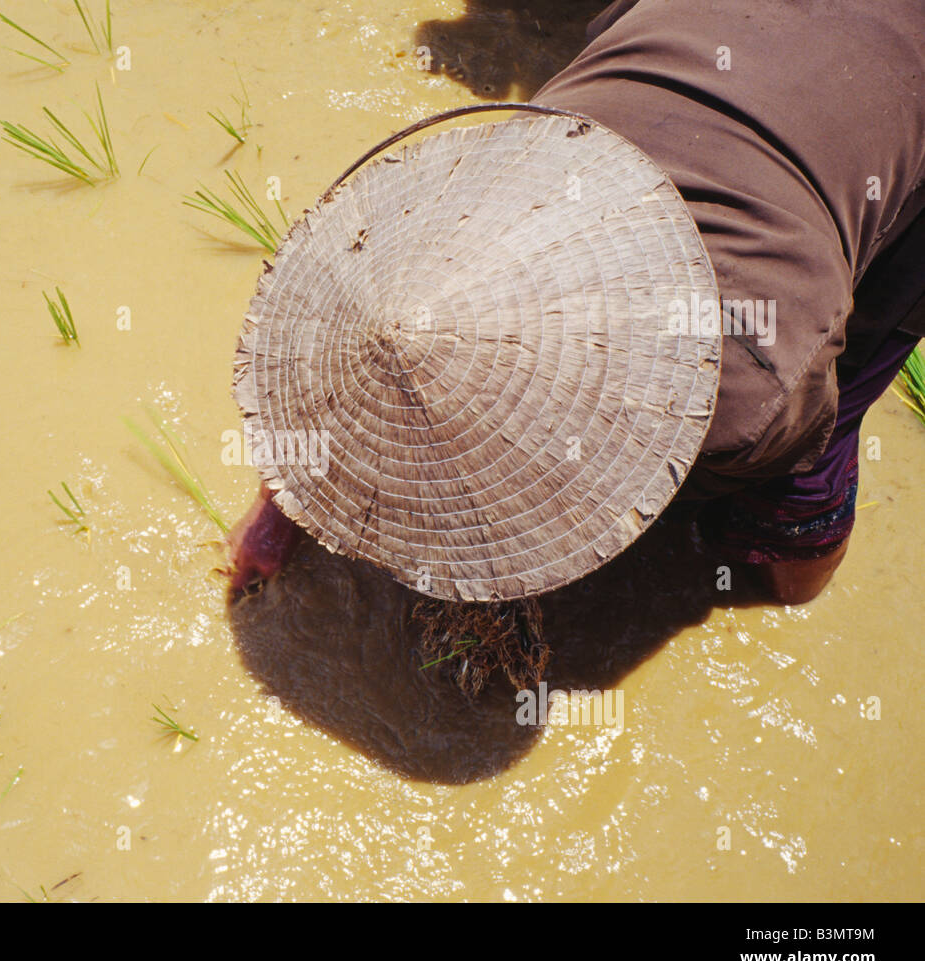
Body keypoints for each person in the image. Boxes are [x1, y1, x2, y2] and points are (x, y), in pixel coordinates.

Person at [228, 0, 925, 608]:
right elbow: (353, 362)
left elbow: (774, 443)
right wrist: (279, 511)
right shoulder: (464, 196)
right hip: (704, 26)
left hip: (900, 80)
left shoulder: (744, 393)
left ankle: (793, 594)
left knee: (814, 454)